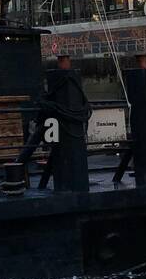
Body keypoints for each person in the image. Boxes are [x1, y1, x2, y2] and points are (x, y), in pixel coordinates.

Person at [18, 54, 92, 189]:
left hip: (57, 122)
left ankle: (18, 170)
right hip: (56, 121)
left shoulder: (55, 93)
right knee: (52, 141)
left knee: (49, 139)